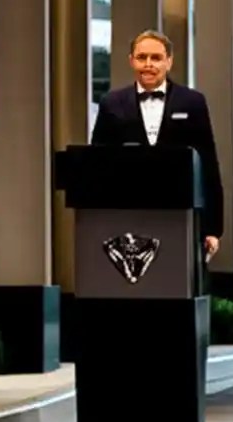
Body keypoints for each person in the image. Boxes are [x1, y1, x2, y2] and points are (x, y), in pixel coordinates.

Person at [91, 30, 223, 261]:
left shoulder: (192, 102)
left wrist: (213, 228)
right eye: (142, 58)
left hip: (180, 214)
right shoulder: (111, 103)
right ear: (131, 61)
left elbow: (208, 164)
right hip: (126, 216)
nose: (148, 65)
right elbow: (96, 162)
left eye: (156, 58)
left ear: (169, 62)